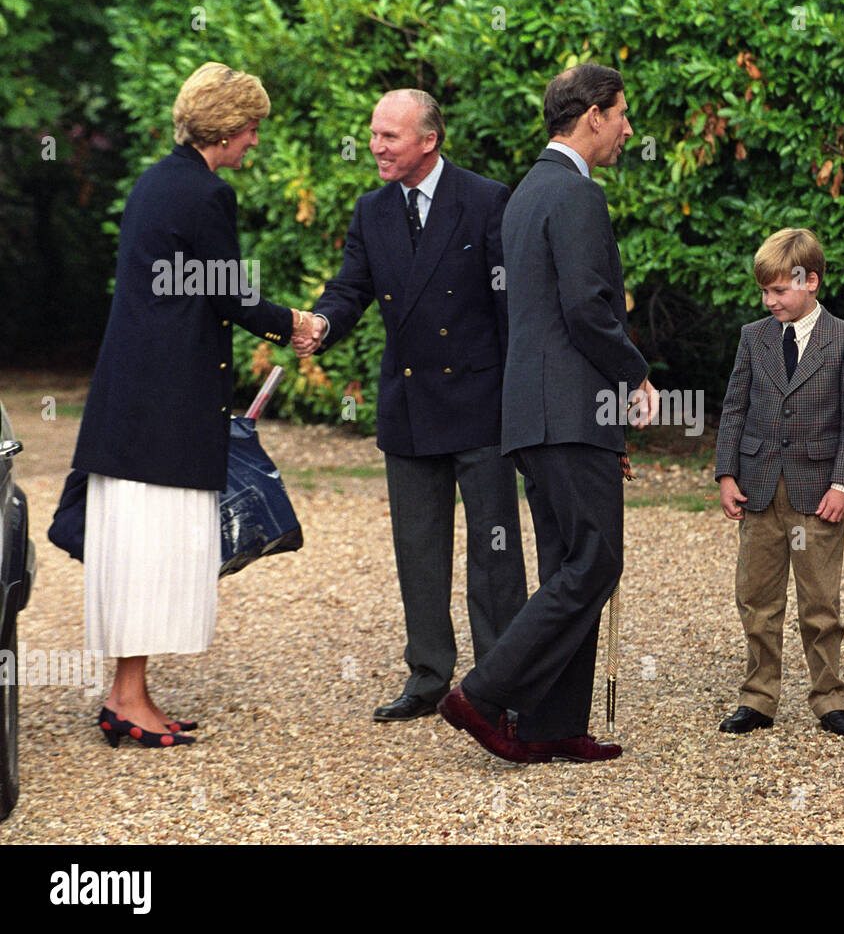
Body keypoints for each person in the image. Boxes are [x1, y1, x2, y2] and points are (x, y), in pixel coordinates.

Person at [71, 61, 317, 747]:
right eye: (253, 129)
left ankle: (129, 695)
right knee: (153, 549)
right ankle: (127, 700)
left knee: (135, 548)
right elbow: (229, 294)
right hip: (169, 405)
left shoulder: (155, 180)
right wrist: (293, 322)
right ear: (230, 128)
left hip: (133, 400)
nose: (256, 143)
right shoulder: (206, 194)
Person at [437, 63, 657, 764]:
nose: (628, 128)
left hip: (534, 413)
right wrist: (635, 374)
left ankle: (549, 725)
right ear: (592, 113)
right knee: (595, 560)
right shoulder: (573, 195)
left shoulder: (528, 193)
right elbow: (586, 310)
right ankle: (482, 691)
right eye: (622, 113)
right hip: (567, 411)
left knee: (569, 561)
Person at [294, 89, 527, 722]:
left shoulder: (486, 200)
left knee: (495, 551)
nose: (375, 147)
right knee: (418, 550)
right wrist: (321, 322)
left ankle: (499, 682)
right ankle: (427, 677)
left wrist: (522, 404)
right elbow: (350, 287)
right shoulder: (372, 211)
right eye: (372, 135)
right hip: (410, 406)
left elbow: (511, 306)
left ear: (428, 140)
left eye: (389, 137)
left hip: (481, 406)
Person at [714, 228, 844, 738]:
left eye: (779, 290)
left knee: (820, 602)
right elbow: (734, 407)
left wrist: (843, 485)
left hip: (817, 489)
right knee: (756, 598)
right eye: (765, 291)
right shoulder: (752, 337)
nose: (770, 300)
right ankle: (758, 697)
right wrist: (726, 472)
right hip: (758, 487)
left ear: (811, 282)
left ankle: (829, 699)